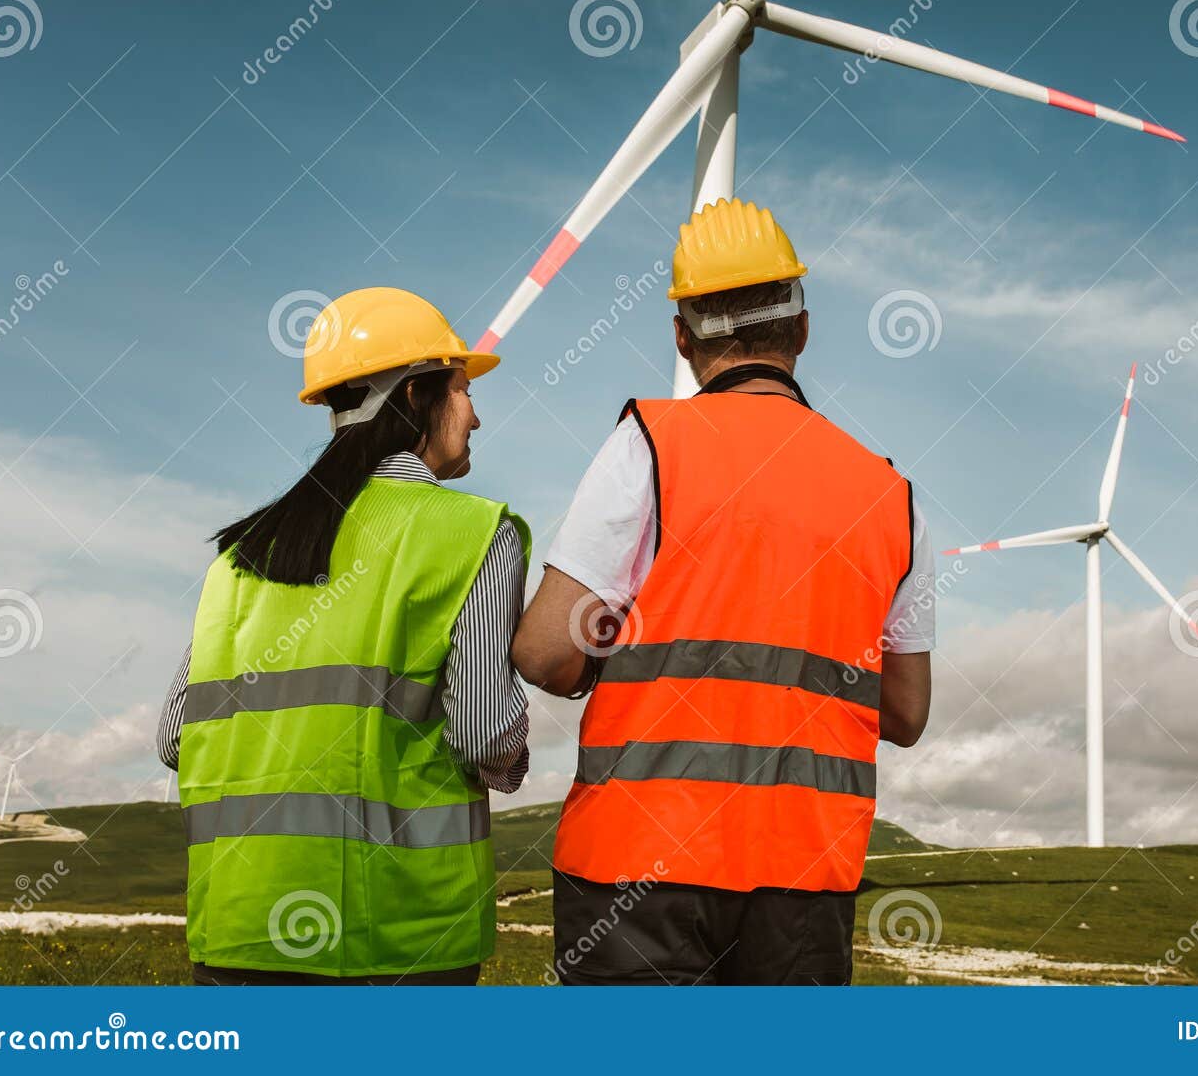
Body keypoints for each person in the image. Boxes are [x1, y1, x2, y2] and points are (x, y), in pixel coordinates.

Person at [512, 198, 934, 985]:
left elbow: (544, 653)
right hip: (804, 880)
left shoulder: (649, 443)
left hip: (636, 870)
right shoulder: (890, 494)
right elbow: (905, 714)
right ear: (802, 332)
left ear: (681, 335)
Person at [156, 286, 531, 986]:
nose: (476, 414)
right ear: (417, 396)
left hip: (237, 933)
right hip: (398, 938)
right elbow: (484, 736)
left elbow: (176, 734)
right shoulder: (475, 532)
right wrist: (511, 763)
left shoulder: (242, 552)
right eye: (462, 388)